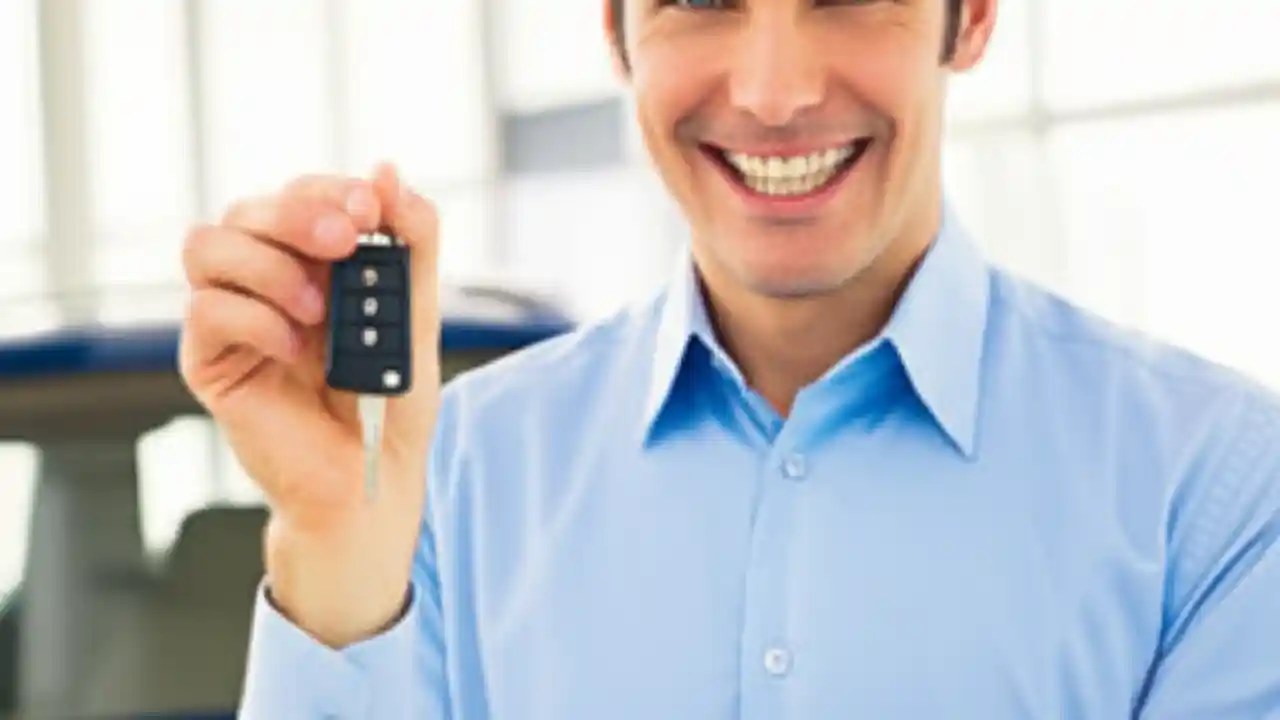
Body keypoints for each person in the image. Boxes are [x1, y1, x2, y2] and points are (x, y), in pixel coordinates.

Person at [179, 0, 1280, 716]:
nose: (770, 92)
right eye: (700, 0)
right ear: (613, 29)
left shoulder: (1216, 490)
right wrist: (334, 560)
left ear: (972, 17)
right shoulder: (454, 479)